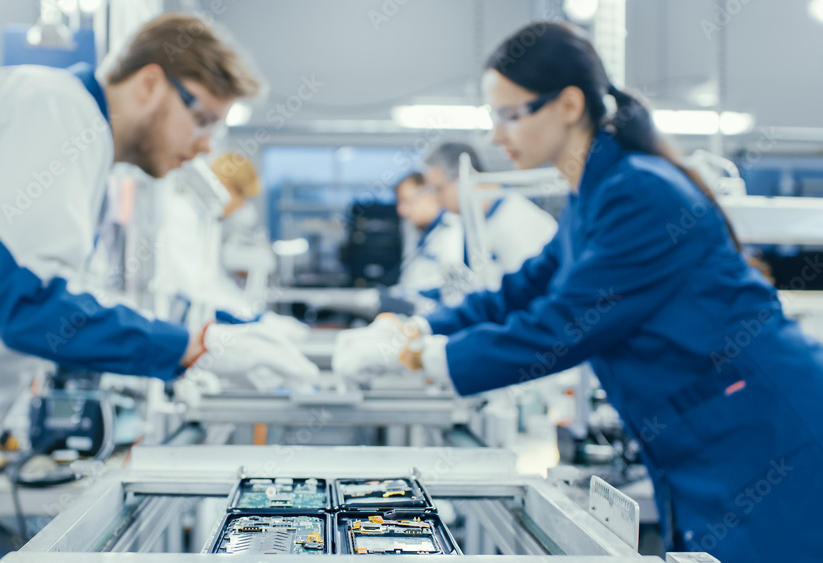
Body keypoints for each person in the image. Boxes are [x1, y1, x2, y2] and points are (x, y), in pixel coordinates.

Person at [0, 14, 318, 563]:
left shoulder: (79, 147)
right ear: (151, 83)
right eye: (201, 118)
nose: (205, 147)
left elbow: (53, 294)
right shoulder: (52, 109)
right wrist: (190, 347)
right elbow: (33, 304)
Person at [333, 22, 823, 562]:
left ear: (567, 104)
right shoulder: (593, 198)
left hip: (767, 436)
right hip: (712, 438)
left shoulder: (640, 191)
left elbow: (563, 327)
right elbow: (518, 293)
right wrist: (422, 327)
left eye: (508, 115)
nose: (497, 137)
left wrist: (424, 357)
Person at [423, 142, 557, 291]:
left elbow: (529, 292)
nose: (434, 198)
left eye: (438, 189)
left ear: (461, 178)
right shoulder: (475, 221)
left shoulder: (518, 220)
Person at [392, 172, 464, 297]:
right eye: (399, 203)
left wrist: (415, 294)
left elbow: (455, 286)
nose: (401, 210)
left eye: (407, 201)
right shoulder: (418, 232)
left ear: (429, 195)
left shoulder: (453, 229)